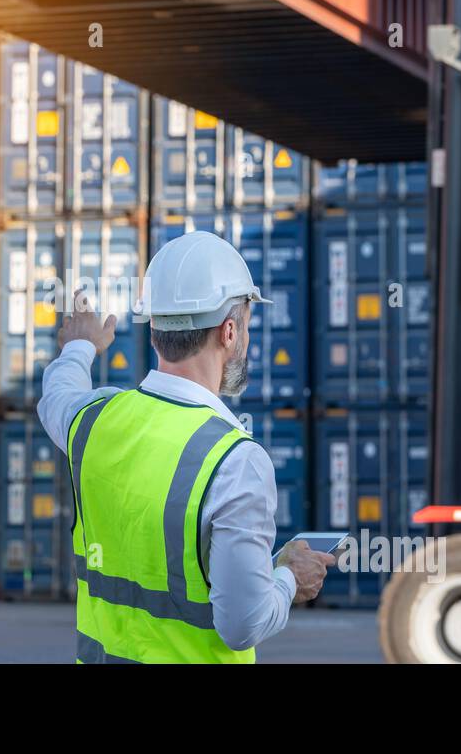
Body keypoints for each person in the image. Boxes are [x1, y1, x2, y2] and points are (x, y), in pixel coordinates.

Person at [37, 230, 335, 663]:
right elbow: (242, 623)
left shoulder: (93, 421)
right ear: (229, 332)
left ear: (154, 327)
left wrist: (80, 345)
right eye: (247, 324)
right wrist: (288, 577)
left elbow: (57, 395)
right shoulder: (236, 462)